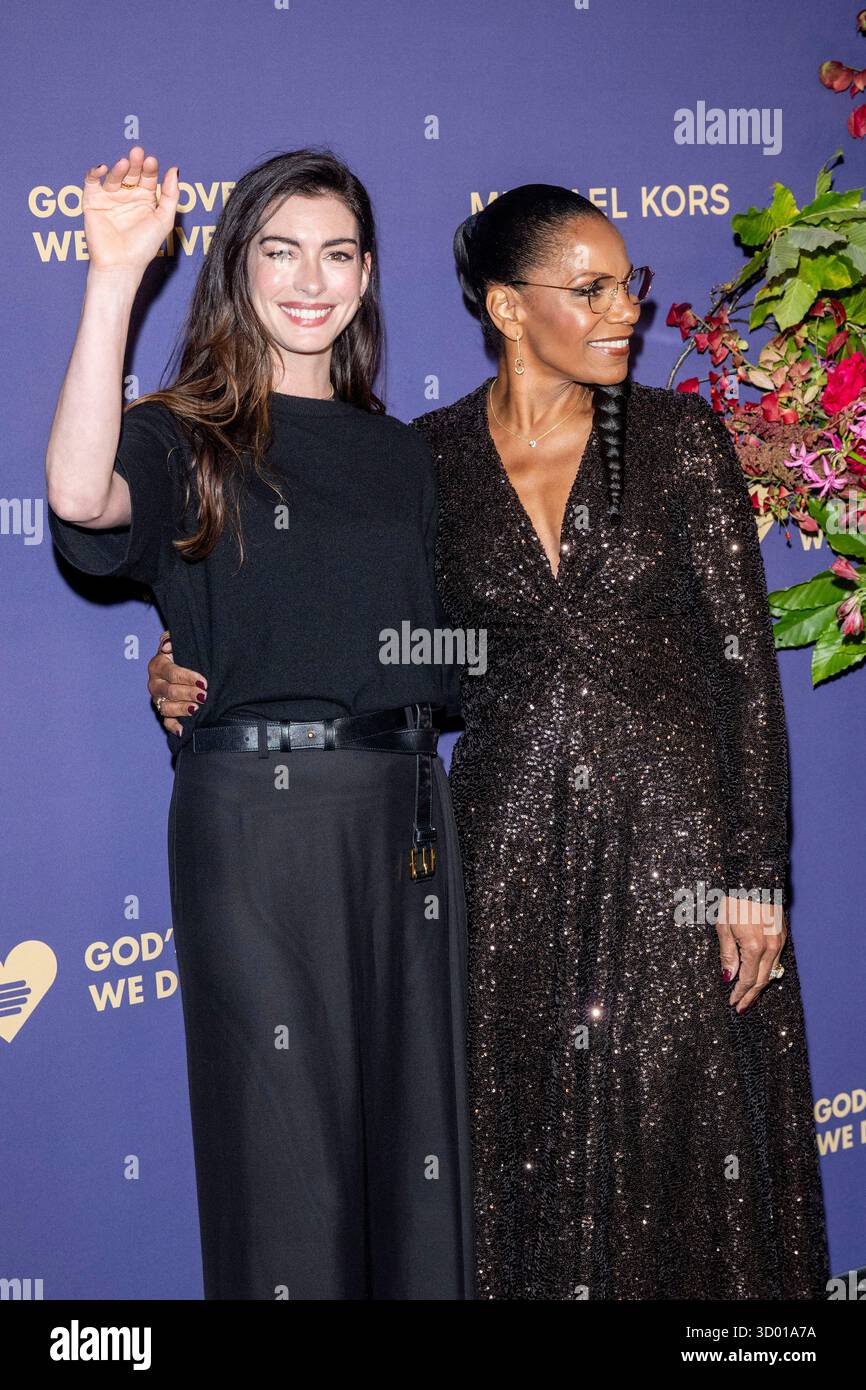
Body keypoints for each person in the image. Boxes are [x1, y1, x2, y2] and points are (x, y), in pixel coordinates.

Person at [147, 184, 831, 1300]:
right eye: (591, 286)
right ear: (509, 309)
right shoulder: (427, 459)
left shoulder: (675, 438)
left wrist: (751, 871)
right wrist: (188, 667)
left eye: (629, 286)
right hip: (505, 846)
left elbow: (743, 673)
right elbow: (386, 640)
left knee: (683, 1135)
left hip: (674, 849)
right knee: (518, 1145)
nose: (625, 310)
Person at [45, 144, 474, 1300]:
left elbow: (446, 648)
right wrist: (113, 273)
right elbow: (82, 501)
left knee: (417, 1168)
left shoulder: (404, 454)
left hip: (403, 823)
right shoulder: (184, 430)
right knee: (284, 1163)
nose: (308, 279)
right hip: (251, 832)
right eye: (279, 250)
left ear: (367, 273)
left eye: (336, 254)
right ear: (236, 268)